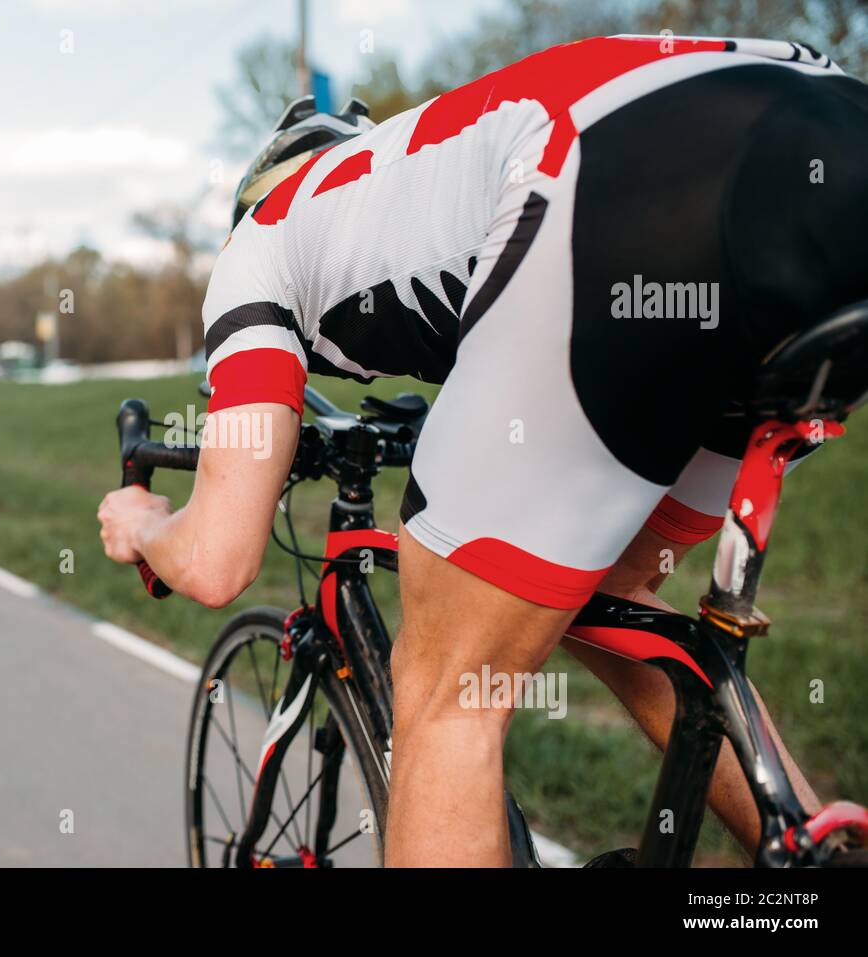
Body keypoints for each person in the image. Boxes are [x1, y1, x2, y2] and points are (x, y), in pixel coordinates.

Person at [98, 35, 868, 866]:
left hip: (632, 174)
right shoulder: (415, 162)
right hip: (827, 141)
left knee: (450, 693)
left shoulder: (263, 235)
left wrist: (142, 520)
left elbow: (218, 557)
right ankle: (810, 854)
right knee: (618, 593)